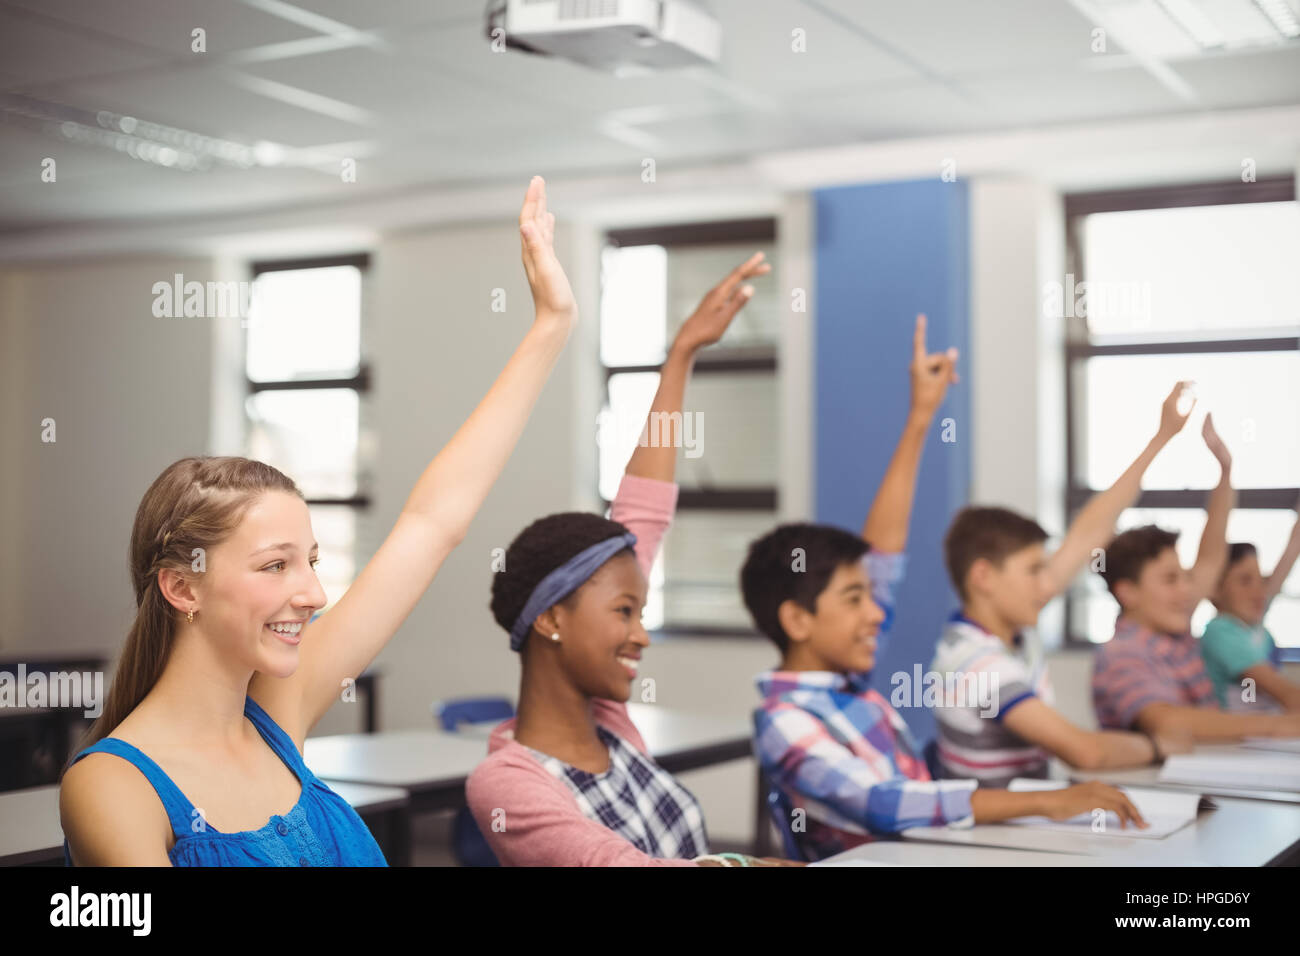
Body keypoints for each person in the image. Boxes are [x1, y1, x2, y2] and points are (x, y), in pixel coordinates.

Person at [60, 177, 578, 865]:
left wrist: (552, 325)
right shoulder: (112, 785)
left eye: (311, 561)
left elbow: (432, 522)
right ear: (182, 587)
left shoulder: (276, 710)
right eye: (276, 565)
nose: (312, 594)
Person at [743, 317, 1145, 862]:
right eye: (854, 599)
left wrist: (920, 418)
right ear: (797, 621)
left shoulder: (844, 679)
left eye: (869, 596)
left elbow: (881, 553)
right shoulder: (785, 721)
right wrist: (1047, 801)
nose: (874, 613)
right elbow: (881, 804)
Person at [465, 252, 797, 867]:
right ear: (551, 619)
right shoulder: (506, 783)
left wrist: (682, 354)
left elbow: (641, 515)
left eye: (640, 611)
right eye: (625, 611)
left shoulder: (610, 725)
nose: (640, 635)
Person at [930, 383, 1201, 787]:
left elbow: (1091, 530)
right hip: (996, 841)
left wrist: (1161, 437)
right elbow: (1085, 753)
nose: (1049, 581)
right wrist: (1160, 746)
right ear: (984, 577)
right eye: (1034, 570)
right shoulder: (973, 663)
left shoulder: (1013, 628)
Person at [1092, 416, 1300, 742]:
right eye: (1170, 579)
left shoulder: (1173, 631)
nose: (1187, 589)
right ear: (1128, 593)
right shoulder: (1122, 654)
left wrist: (1226, 471)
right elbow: (1169, 723)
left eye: (1186, 577)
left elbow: (1212, 556)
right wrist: (1282, 726)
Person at [1200, 498, 1300, 712]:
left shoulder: (1251, 626)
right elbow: (1283, 691)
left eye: (1260, 580)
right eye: (1245, 581)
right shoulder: (1221, 632)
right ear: (1215, 590)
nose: (1258, 592)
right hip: (1234, 741)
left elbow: (1291, 550)